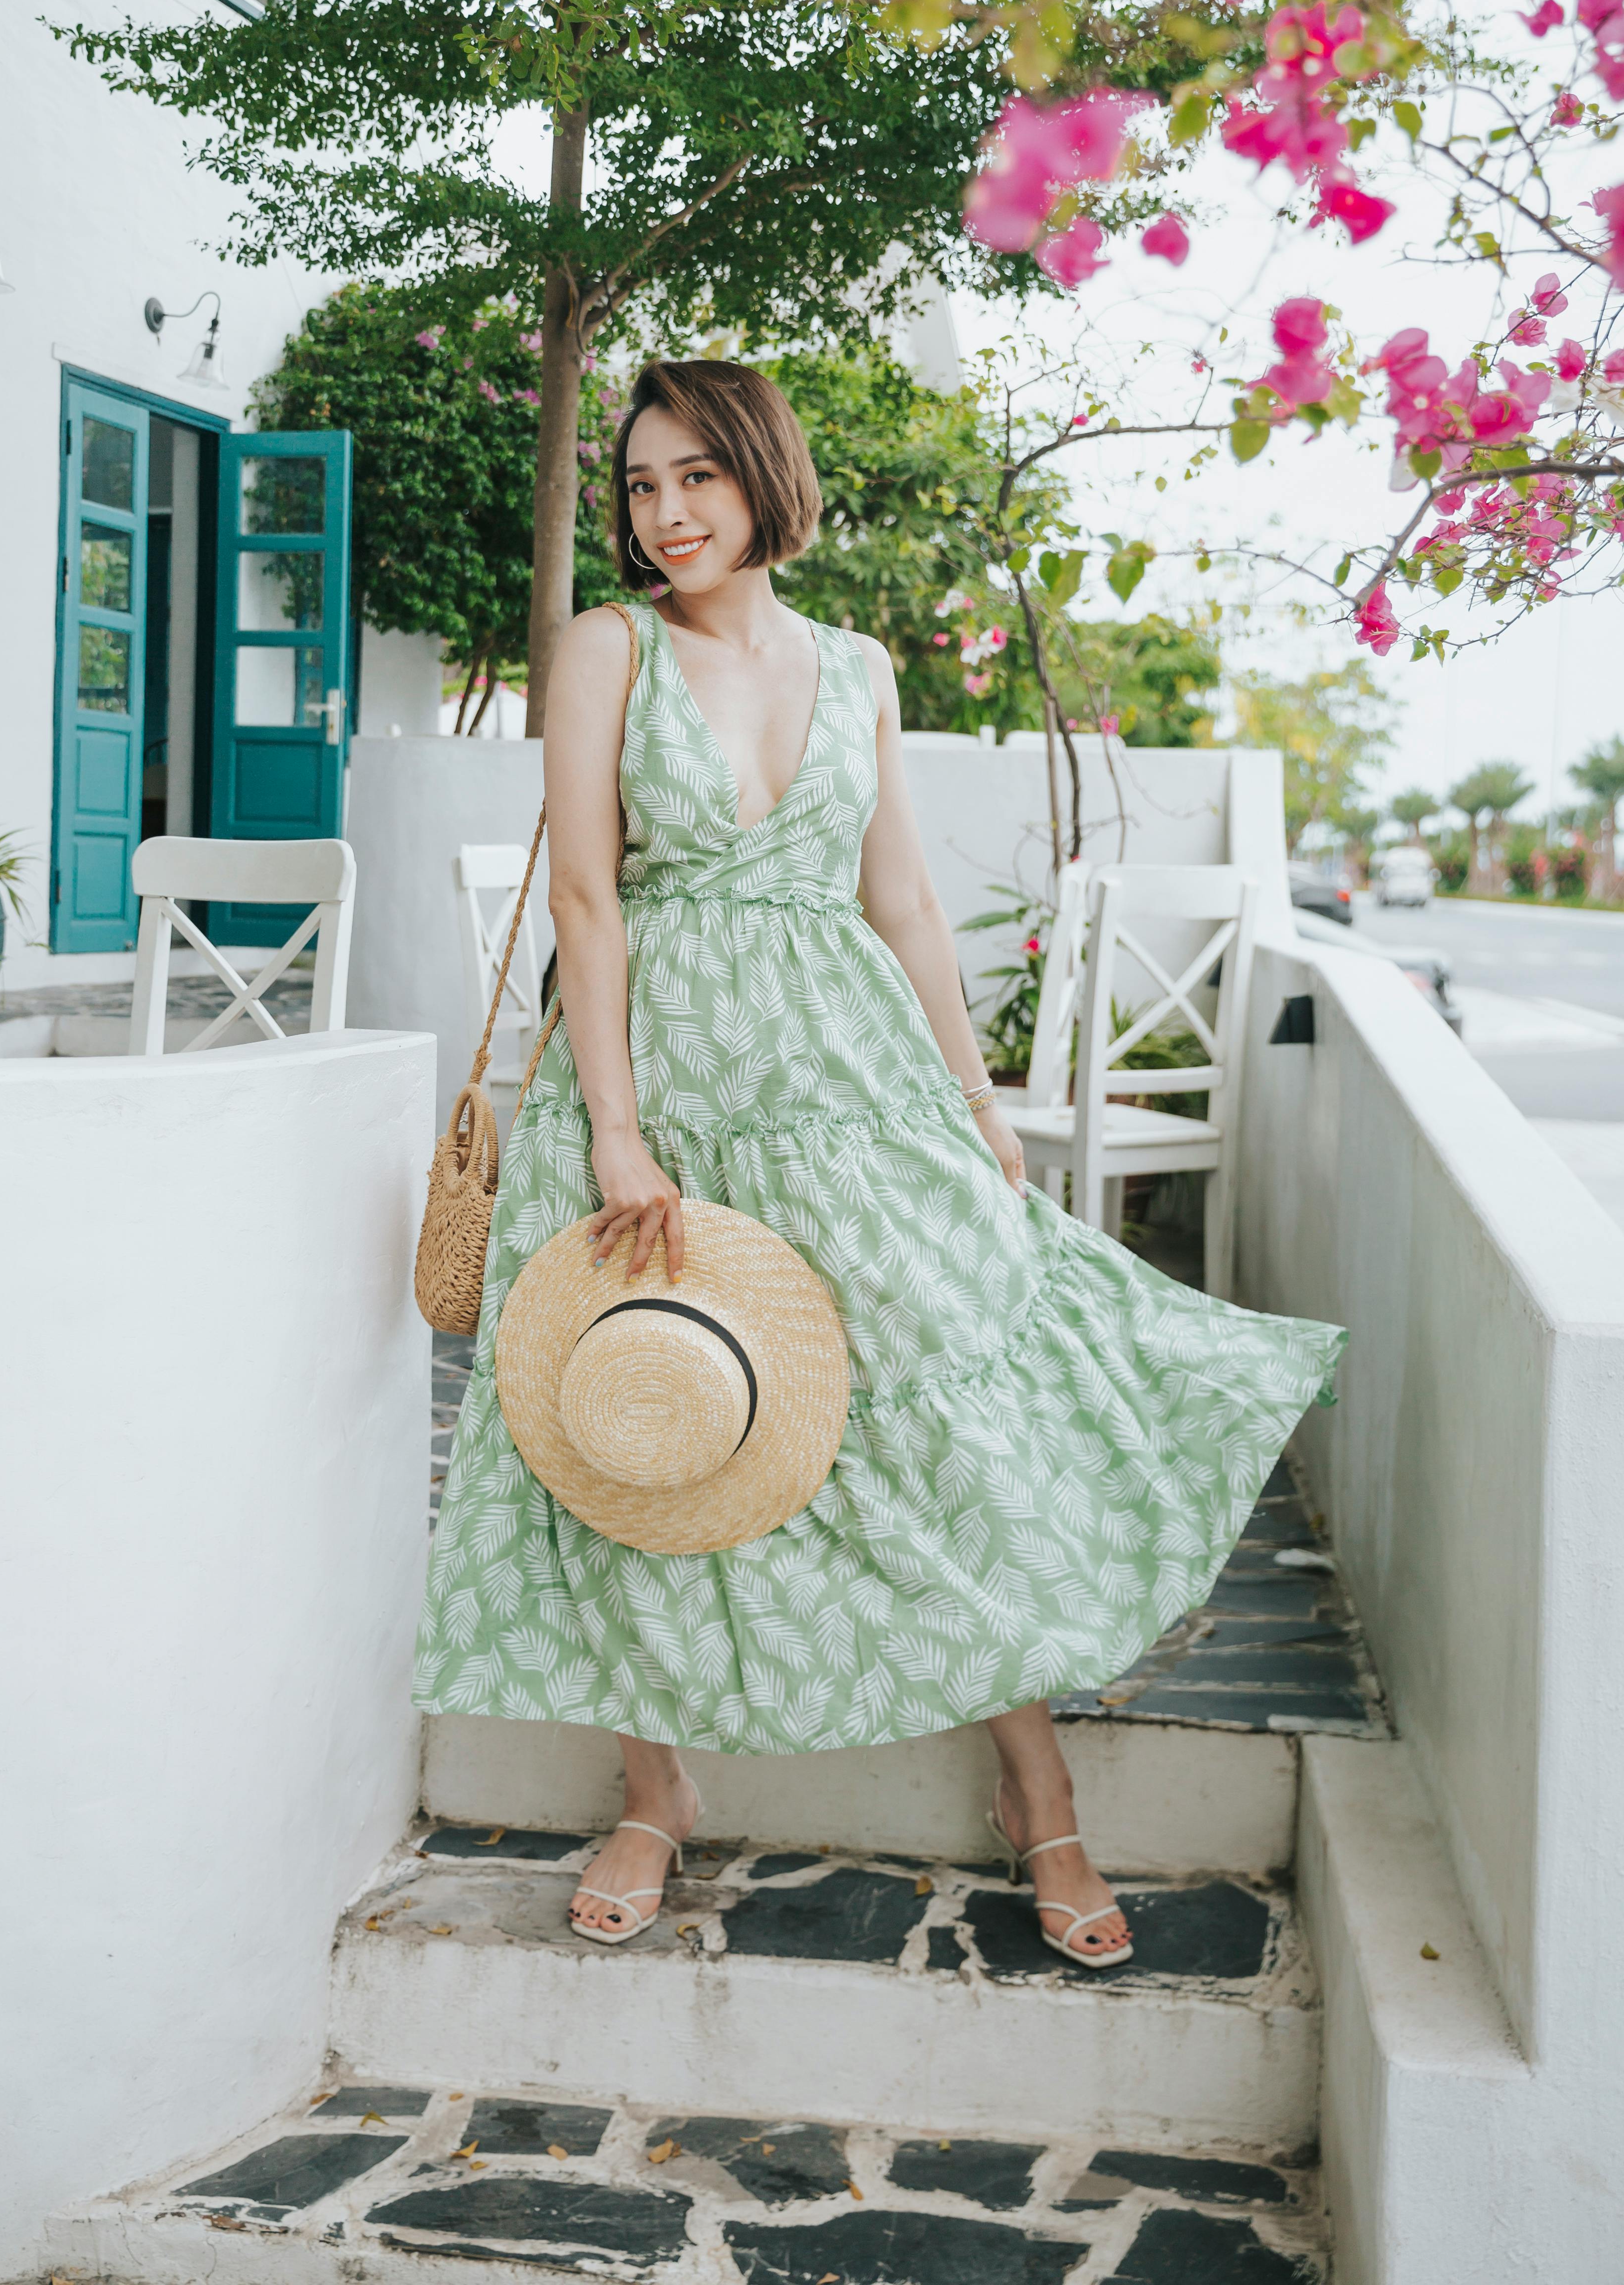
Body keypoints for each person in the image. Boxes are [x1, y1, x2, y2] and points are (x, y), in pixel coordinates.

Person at [414, 358, 1344, 1967]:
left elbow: (902, 899)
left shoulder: (856, 665)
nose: (665, 513)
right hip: (659, 1082)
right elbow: (585, 898)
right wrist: (618, 1126)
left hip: (850, 1078)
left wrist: (978, 1102)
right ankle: (655, 1790)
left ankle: (1035, 1792)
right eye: (640, 487)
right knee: (636, 1415)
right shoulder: (606, 646)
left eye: (695, 476)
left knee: (935, 1405)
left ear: (764, 477)